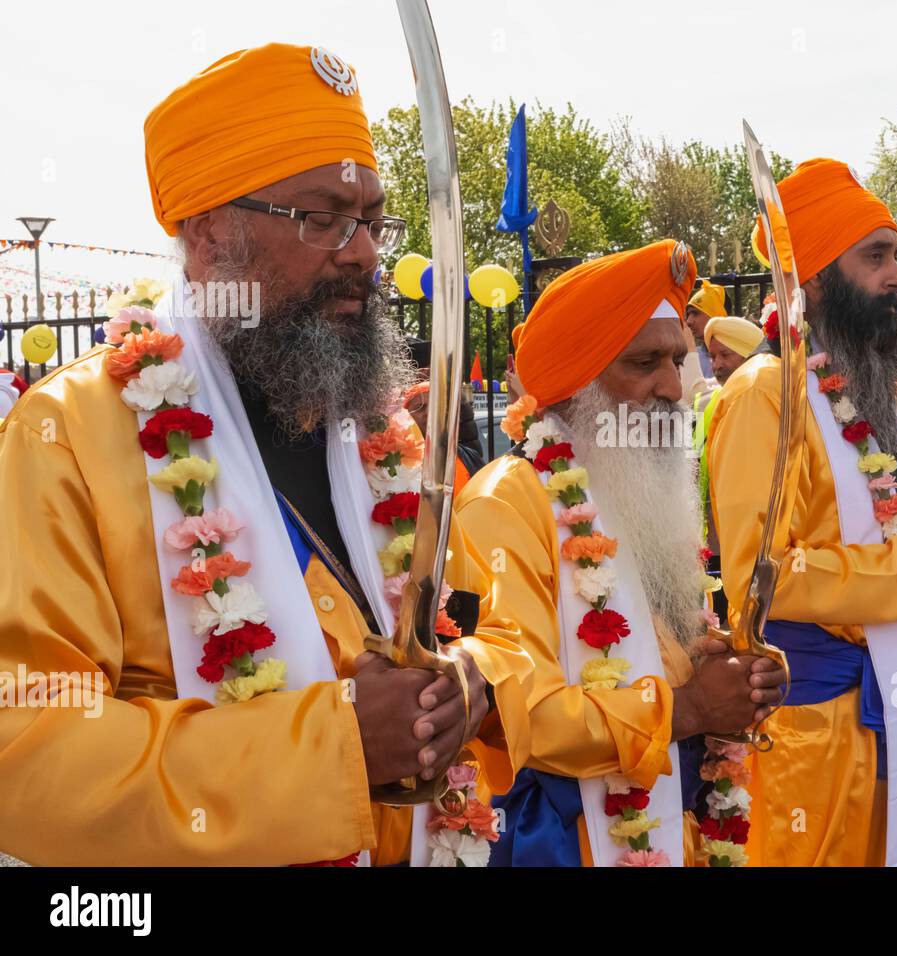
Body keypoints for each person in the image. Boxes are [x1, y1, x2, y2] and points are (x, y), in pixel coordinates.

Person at [0, 43, 533, 866]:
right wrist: (333, 746)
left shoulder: (378, 432)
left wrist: (476, 682)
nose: (363, 254)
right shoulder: (69, 433)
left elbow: (485, 625)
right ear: (209, 233)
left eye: (372, 221)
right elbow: (29, 756)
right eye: (322, 219)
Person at [456, 239, 785, 867]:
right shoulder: (507, 502)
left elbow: (662, 661)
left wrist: (734, 675)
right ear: (574, 379)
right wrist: (689, 709)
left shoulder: (632, 488)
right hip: (565, 843)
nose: (673, 389)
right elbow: (525, 715)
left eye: (678, 360)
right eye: (644, 363)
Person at [709, 158, 897, 866]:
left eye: (895, 256)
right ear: (815, 279)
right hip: (816, 730)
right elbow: (760, 582)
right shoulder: (766, 392)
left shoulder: (872, 391)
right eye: (876, 257)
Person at [694, 315, 765, 621]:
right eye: (712, 357)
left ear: (749, 354)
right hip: (717, 536)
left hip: (754, 538)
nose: (717, 365)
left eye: (725, 354)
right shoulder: (713, 401)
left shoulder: (762, 398)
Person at [684, 279, 728, 379]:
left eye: (695, 313)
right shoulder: (691, 357)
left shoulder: (742, 356)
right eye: (688, 314)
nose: (689, 321)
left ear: (717, 316)